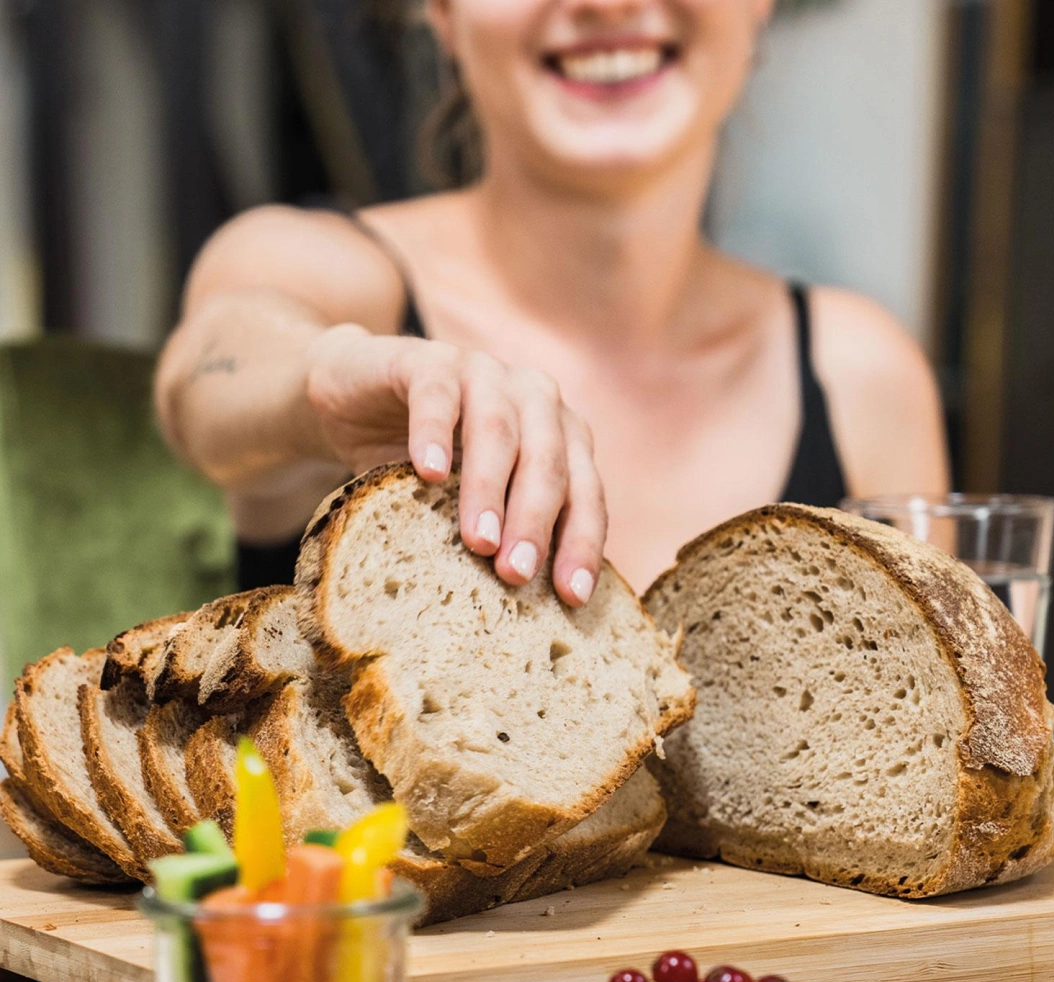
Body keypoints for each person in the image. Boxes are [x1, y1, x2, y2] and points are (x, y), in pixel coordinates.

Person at [154, 0, 950, 603]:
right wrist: (328, 375)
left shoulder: (862, 371)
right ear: (441, 13)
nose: (604, 4)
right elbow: (210, 377)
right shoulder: (329, 268)